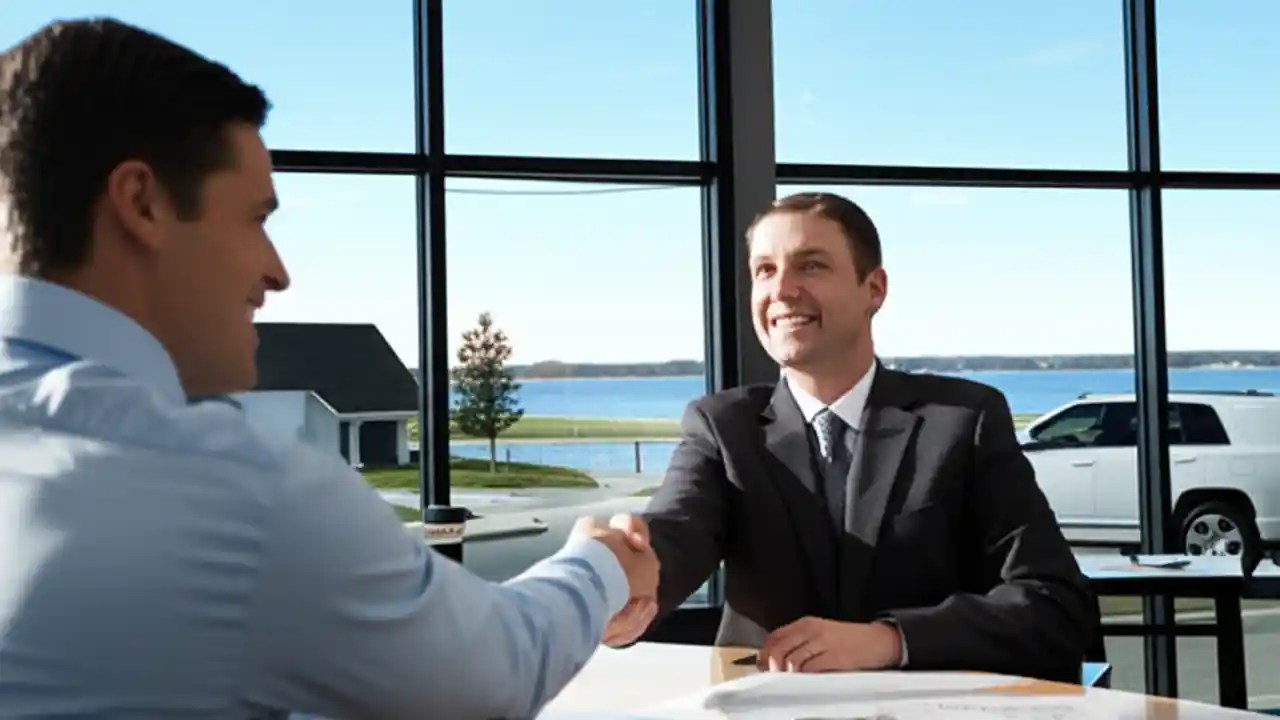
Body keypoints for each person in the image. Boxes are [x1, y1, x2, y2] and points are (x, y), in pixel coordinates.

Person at [0, 17, 658, 719]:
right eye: (256, 218)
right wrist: (602, 566)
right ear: (143, 202)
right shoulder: (233, 489)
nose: (276, 273)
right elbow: (492, 675)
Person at [604, 191, 1099, 683]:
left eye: (810, 266)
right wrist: (614, 578)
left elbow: (1055, 606)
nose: (782, 290)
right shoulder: (722, 427)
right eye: (765, 270)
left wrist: (890, 640)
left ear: (874, 289)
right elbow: (674, 535)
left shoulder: (963, 420)